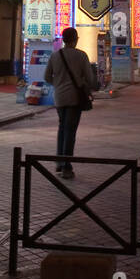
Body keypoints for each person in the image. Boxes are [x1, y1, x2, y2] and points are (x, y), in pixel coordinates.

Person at [44, 26, 94, 178]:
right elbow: (90, 79)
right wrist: (83, 84)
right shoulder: (81, 56)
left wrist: (58, 84)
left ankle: (59, 162)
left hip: (59, 98)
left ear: (64, 40)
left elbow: (47, 77)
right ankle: (66, 166)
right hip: (75, 99)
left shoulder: (55, 56)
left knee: (62, 128)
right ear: (76, 39)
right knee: (70, 131)